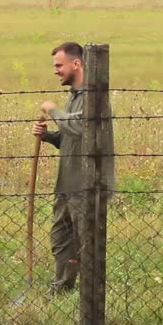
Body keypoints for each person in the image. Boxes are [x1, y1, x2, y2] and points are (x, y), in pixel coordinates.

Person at [33, 42, 114, 294]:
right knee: (61, 240)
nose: (56, 71)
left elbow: (82, 128)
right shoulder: (74, 97)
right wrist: (50, 137)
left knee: (87, 243)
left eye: (59, 65)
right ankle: (61, 288)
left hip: (87, 185)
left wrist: (52, 110)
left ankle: (91, 294)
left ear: (76, 64)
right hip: (66, 185)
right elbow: (72, 136)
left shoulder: (93, 97)